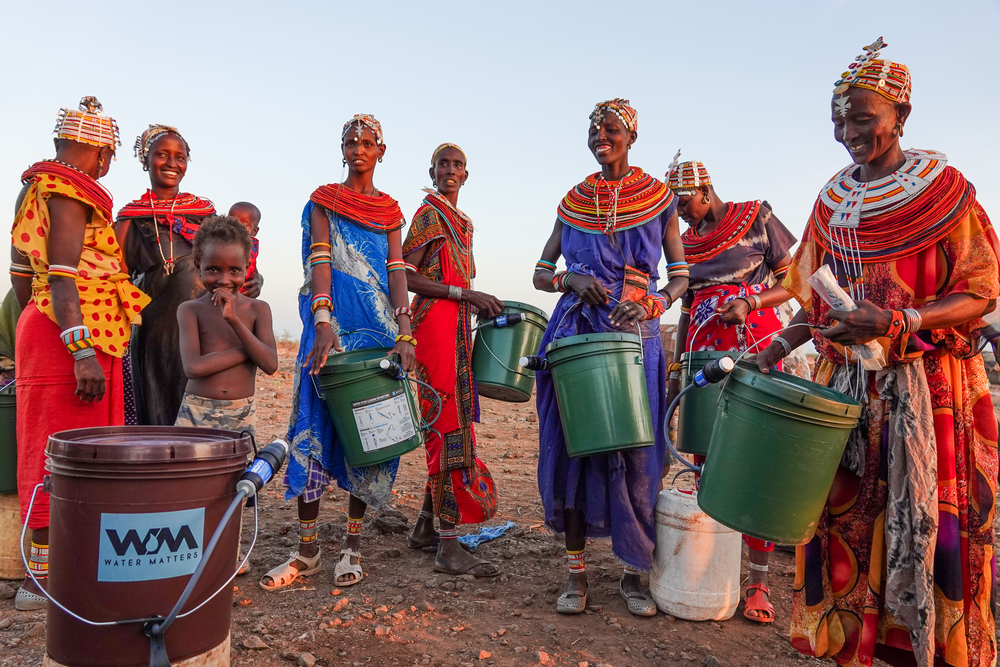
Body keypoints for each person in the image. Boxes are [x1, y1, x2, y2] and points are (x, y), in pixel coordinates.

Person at [756, 38, 999, 667]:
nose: (846, 132)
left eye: (862, 117)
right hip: (850, 396)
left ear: (901, 115)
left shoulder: (945, 192)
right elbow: (812, 289)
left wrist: (899, 318)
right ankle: (857, 650)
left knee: (930, 528)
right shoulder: (833, 201)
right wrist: (778, 344)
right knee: (847, 521)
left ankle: (928, 650)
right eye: (838, 119)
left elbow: (981, 289)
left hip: (930, 389)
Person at [533, 99, 688, 616]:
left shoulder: (660, 200)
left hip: (634, 333)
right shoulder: (573, 202)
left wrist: (650, 303)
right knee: (573, 447)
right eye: (595, 128)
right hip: (575, 329)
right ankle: (576, 576)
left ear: (632, 136)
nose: (602, 135)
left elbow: (681, 277)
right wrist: (567, 278)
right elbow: (540, 271)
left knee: (636, 453)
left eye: (613, 128)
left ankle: (634, 574)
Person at [261, 114, 416, 591]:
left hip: (377, 335)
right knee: (314, 427)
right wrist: (324, 322)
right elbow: (321, 261)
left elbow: (395, 271)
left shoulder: (390, 211)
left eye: (368, 142)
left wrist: (405, 331)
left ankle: (352, 546)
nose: (359, 149)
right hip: (329, 332)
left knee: (370, 436)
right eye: (351, 142)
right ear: (342, 149)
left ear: (381, 151)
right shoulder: (324, 202)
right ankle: (307, 550)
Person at [10, 97, 149, 610]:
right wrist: (78, 346)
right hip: (73, 336)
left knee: (57, 448)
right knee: (65, 453)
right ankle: (41, 580)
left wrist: (46, 324)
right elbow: (64, 275)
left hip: (55, 327)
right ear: (104, 155)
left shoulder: (35, 186)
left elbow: (22, 276)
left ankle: (62, 567)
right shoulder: (67, 188)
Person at [664, 155, 796, 624]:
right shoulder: (684, 243)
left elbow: (795, 280)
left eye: (683, 203)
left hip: (757, 350)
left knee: (755, 462)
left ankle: (758, 580)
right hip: (703, 356)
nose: (679, 214)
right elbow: (684, 310)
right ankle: (712, 565)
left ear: (704, 190)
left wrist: (750, 299)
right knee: (709, 459)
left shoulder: (757, 217)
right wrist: (679, 368)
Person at [403, 143, 504, 577]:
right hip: (435, 327)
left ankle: (426, 528)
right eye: (443, 163)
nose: (449, 169)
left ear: (467, 175)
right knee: (445, 426)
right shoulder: (428, 215)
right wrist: (465, 294)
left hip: (457, 327)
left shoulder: (463, 223)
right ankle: (448, 545)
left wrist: (473, 302)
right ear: (432, 170)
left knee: (454, 420)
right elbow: (403, 274)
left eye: (457, 164)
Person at [175, 215, 277, 437]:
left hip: (241, 411)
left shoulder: (258, 309)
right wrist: (249, 351)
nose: (224, 279)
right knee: (190, 469)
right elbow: (193, 368)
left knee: (237, 470)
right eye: (213, 270)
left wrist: (234, 320)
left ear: (247, 267)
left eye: (234, 270)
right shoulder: (189, 310)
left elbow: (270, 364)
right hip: (195, 411)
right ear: (198, 267)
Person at [228, 202, 262, 297]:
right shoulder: (217, 242)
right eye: (231, 222)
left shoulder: (250, 247)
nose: (236, 227)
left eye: (243, 225)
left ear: (254, 231)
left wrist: (259, 279)